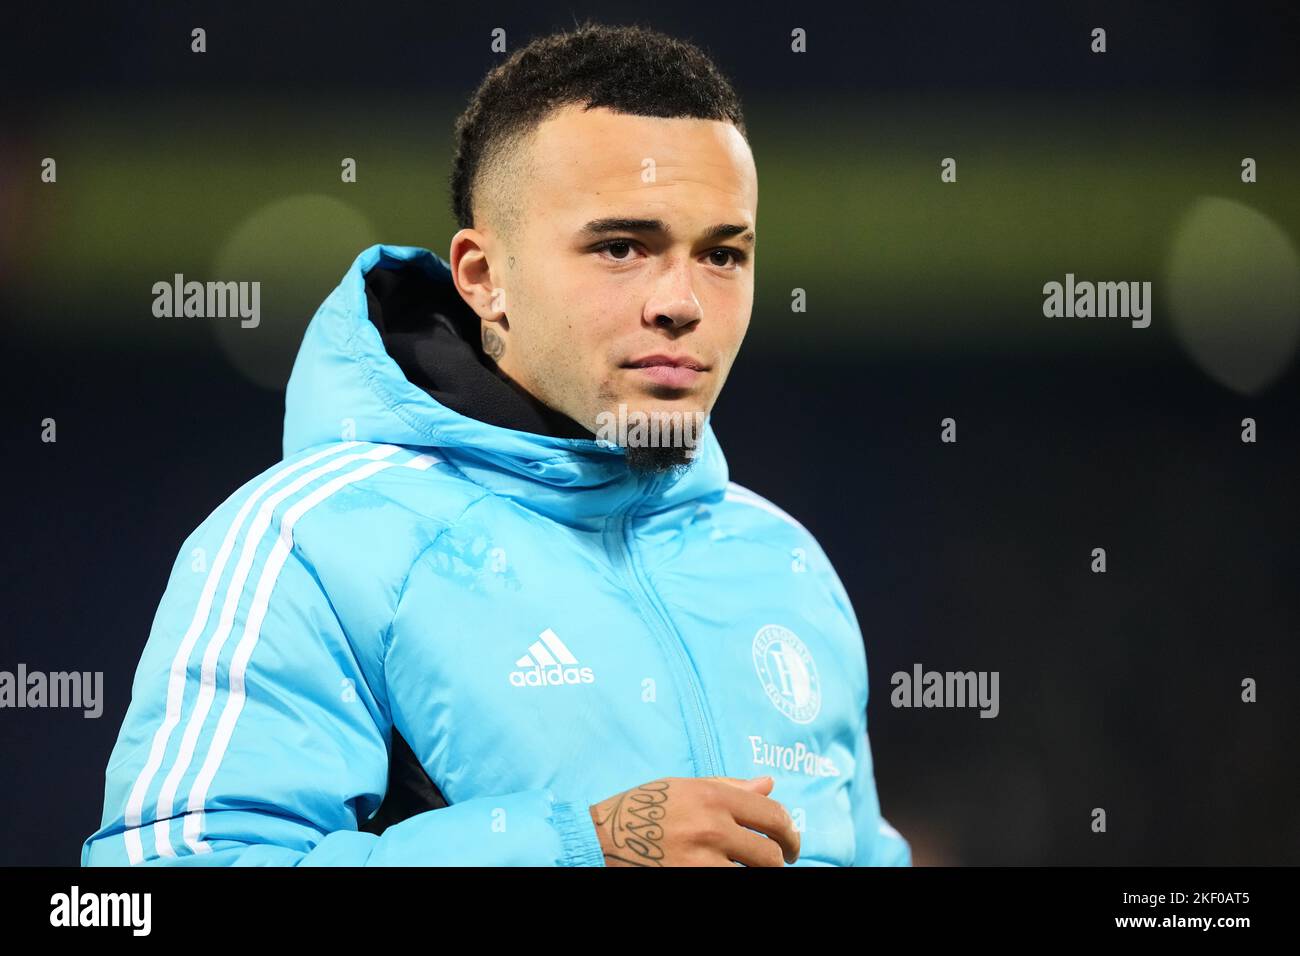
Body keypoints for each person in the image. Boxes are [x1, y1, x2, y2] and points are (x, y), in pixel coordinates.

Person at [82, 21, 910, 867]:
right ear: (484, 278)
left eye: (723, 255)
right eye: (622, 247)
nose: (682, 301)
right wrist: (576, 850)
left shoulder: (781, 561)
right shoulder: (311, 545)